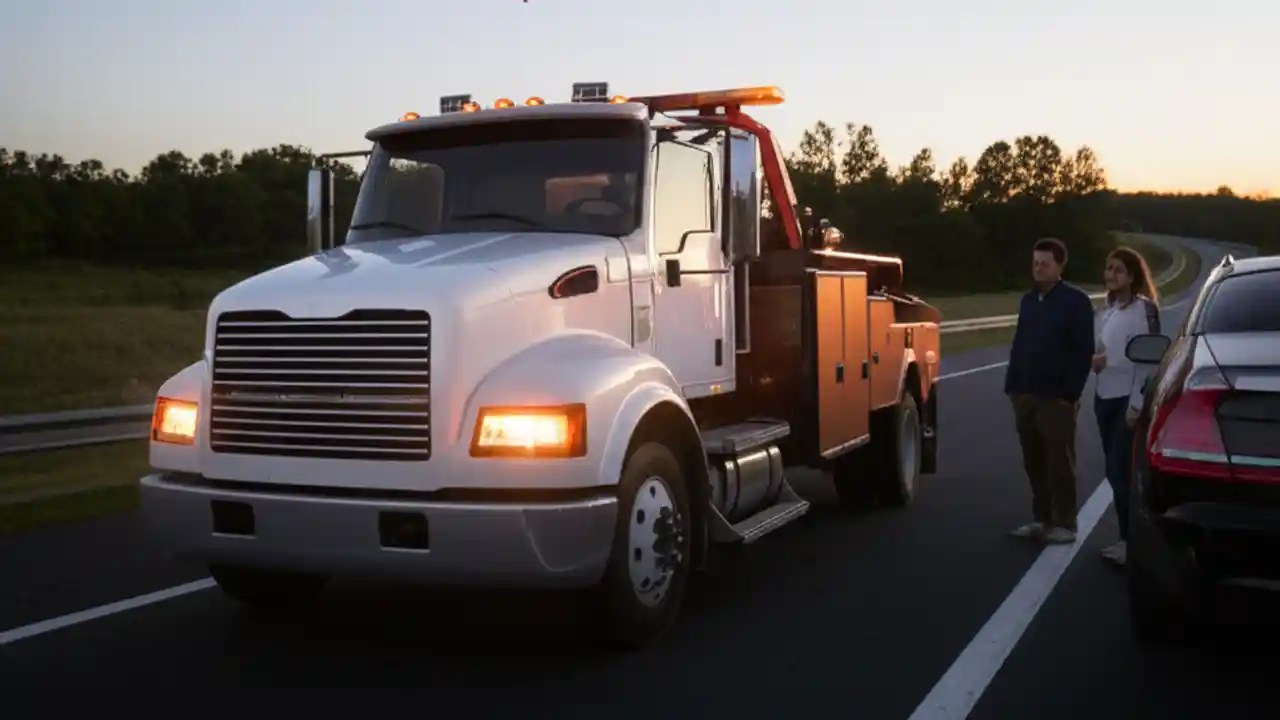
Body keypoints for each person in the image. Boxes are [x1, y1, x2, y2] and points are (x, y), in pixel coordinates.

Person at [1005, 238, 1096, 544]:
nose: (1038, 267)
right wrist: (1013, 388)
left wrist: (1069, 393)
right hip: (1025, 394)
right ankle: (1041, 519)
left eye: (1044, 262)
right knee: (1033, 460)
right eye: (1035, 262)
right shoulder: (1028, 301)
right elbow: (1019, 345)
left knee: (1059, 461)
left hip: (1056, 398)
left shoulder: (1075, 302)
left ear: (1059, 265)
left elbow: (1084, 350)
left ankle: (1065, 524)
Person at [1091, 247, 1161, 565]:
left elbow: (1148, 357)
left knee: (1121, 473)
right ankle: (1126, 539)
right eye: (1108, 268)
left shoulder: (1143, 309)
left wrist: (1137, 404)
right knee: (1114, 471)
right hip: (1103, 397)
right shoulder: (1107, 311)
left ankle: (1131, 542)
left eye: (1118, 270)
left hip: (1126, 400)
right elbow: (1104, 353)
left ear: (1132, 276)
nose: (1111, 275)